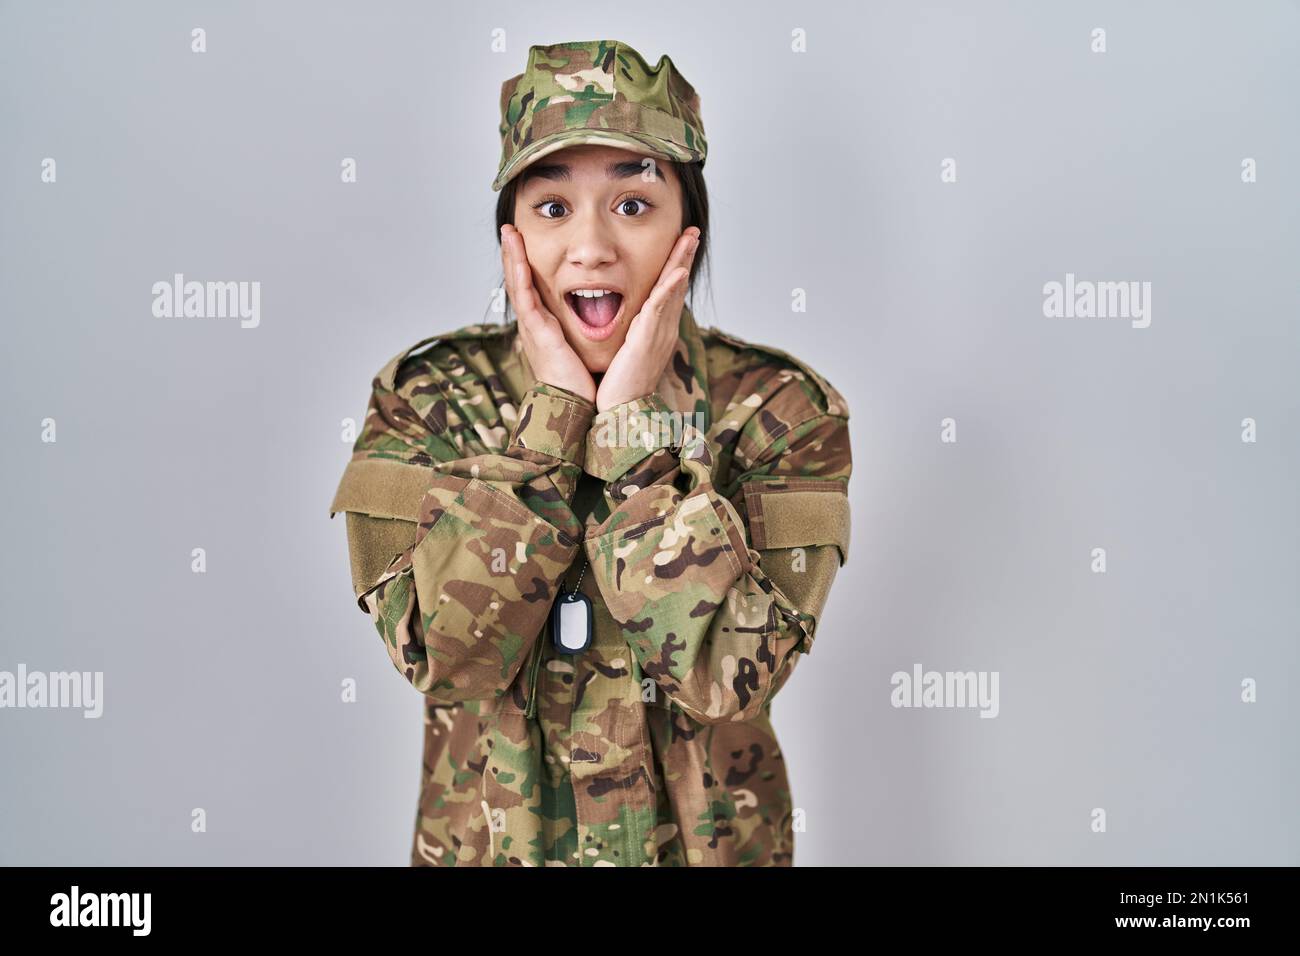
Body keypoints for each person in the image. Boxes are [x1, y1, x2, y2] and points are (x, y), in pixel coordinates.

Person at [328, 39, 853, 866]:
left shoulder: (780, 409)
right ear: (513, 234)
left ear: (692, 225)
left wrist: (635, 439)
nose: (593, 248)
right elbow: (444, 654)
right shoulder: (432, 399)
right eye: (552, 206)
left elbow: (735, 674)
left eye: (634, 204)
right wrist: (555, 423)